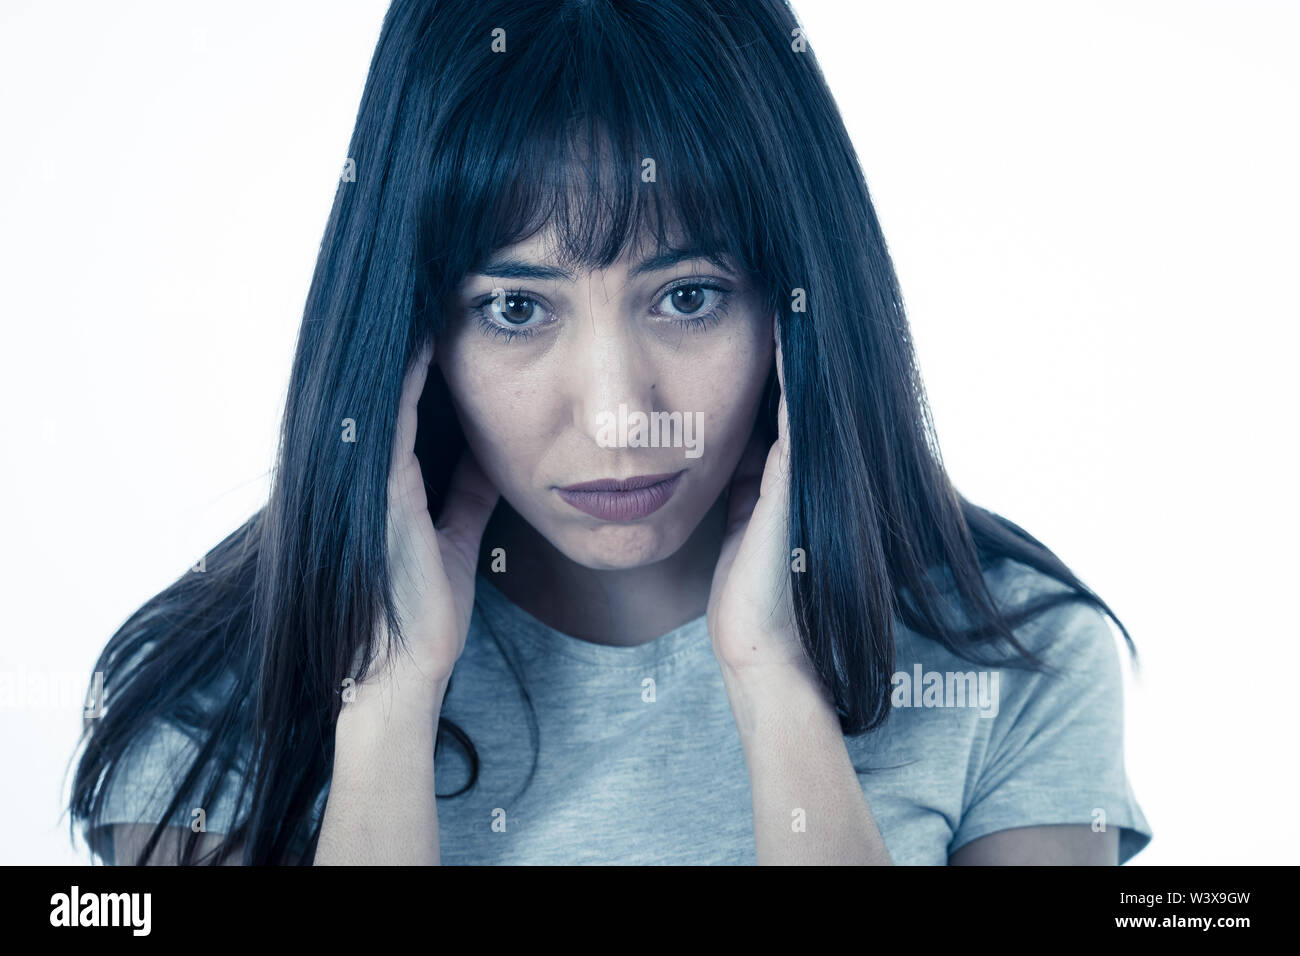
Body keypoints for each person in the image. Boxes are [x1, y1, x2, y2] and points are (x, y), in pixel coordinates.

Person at [68, 0, 1152, 865]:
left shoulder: (1011, 656)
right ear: (409, 330)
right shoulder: (211, 693)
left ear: (799, 302)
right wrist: (387, 702)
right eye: (515, 308)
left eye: (687, 295)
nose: (619, 414)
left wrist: (775, 684)